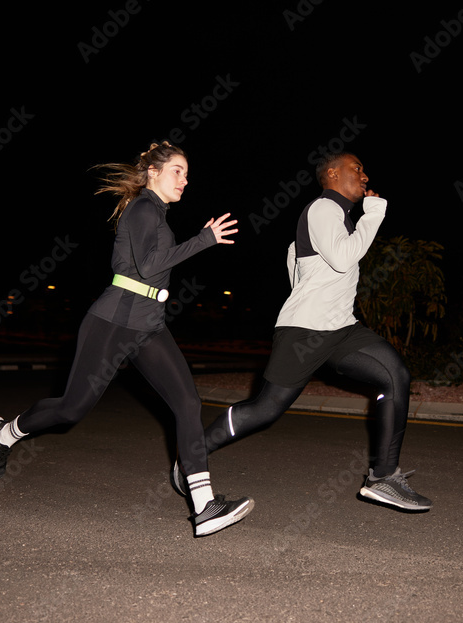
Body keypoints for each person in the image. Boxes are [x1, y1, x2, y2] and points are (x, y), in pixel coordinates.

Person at [0, 141, 254, 537]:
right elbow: (147, 266)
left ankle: (204, 504)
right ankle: (5, 433)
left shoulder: (157, 214)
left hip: (148, 325)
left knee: (187, 401)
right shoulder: (144, 208)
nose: (185, 179)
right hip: (113, 322)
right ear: (154, 173)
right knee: (72, 410)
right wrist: (203, 241)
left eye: (187, 173)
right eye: (178, 170)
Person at [173, 152, 432, 511]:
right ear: (331, 173)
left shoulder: (335, 218)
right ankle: (192, 456)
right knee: (265, 410)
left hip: (341, 328)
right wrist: (374, 214)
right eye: (356, 168)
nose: (364, 174)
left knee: (395, 375)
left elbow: (299, 270)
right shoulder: (323, 208)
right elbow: (343, 259)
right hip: (305, 331)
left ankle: (383, 477)